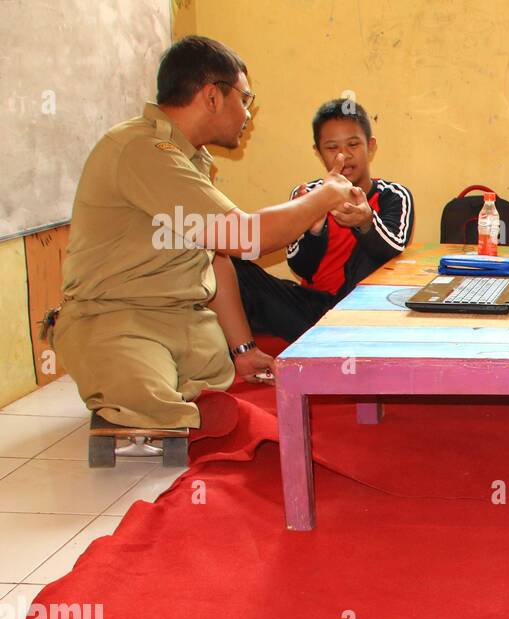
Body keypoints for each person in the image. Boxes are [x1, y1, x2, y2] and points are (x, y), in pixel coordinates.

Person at [52, 35, 362, 430]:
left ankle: (158, 386)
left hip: (182, 320)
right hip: (119, 320)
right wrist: (326, 195)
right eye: (245, 99)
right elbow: (245, 237)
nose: (248, 114)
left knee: (221, 380)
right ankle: (129, 393)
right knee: (165, 412)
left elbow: (218, 257)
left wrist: (243, 348)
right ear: (213, 96)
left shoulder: (191, 156)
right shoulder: (141, 150)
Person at [228, 98, 414, 342]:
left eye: (353, 144)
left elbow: (394, 249)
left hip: (365, 311)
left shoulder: (394, 195)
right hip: (313, 310)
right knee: (230, 265)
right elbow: (300, 267)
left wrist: (366, 221)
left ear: (370, 146)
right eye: (331, 147)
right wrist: (315, 231)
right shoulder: (307, 196)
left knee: (372, 254)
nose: (344, 156)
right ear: (318, 151)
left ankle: (350, 335)